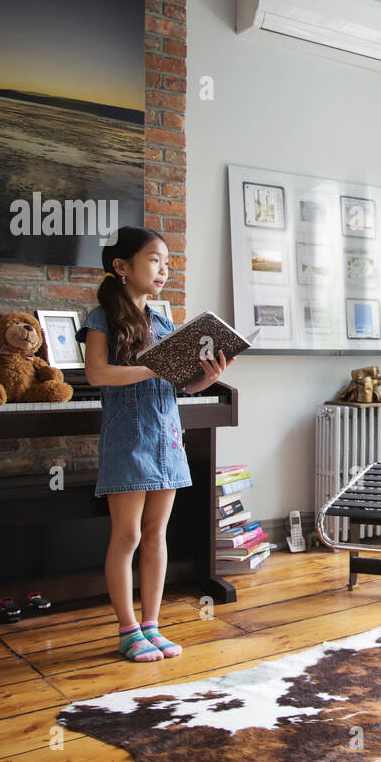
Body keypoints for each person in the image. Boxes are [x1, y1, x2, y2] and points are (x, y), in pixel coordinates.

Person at [76, 226, 237, 662]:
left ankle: (152, 625)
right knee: (126, 535)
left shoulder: (164, 322)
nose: (164, 269)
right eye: (154, 260)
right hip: (128, 443)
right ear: (122, 267)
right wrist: (153, 368)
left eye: (167, 262)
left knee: (155, 534)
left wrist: (209, 376)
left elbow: (183, 385)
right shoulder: (100, 320)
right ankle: (128, 630)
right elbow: (97, 376)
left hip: (167, 440)